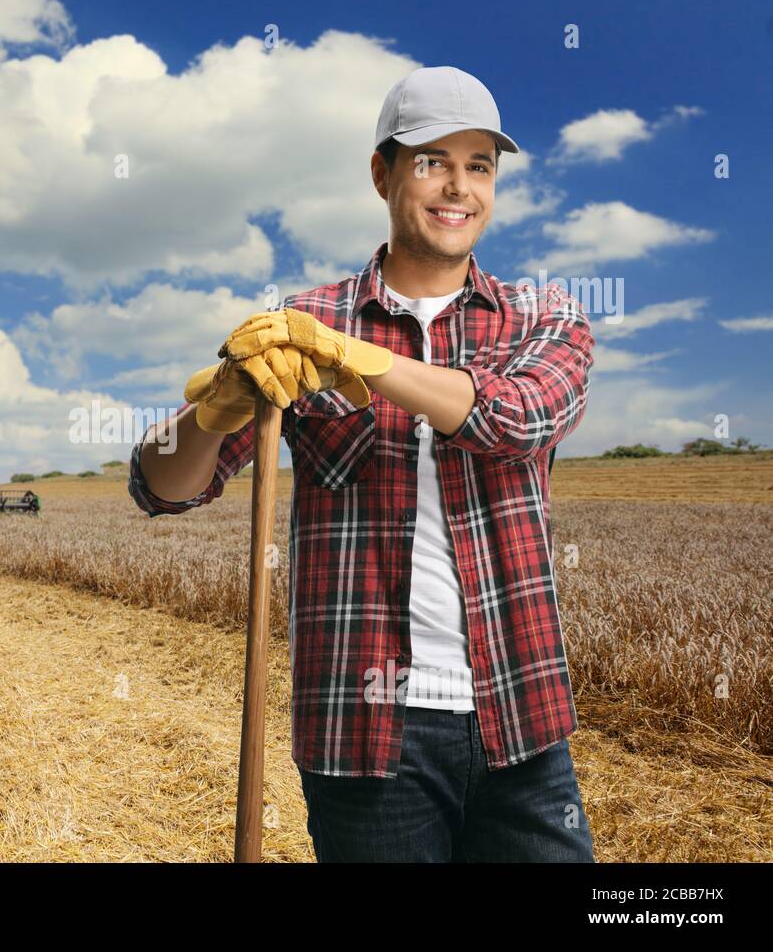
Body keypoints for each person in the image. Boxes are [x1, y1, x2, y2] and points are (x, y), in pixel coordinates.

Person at [128, 66, 596, 862]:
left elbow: (518, 419)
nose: (458, 187)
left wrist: (363, 361)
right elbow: (160, 488)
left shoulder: (543, 315)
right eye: (431, 162)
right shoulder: (301, 324)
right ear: (383, 173)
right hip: (363, 733)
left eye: (479, 165)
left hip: (520, 722)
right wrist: (217, 409)